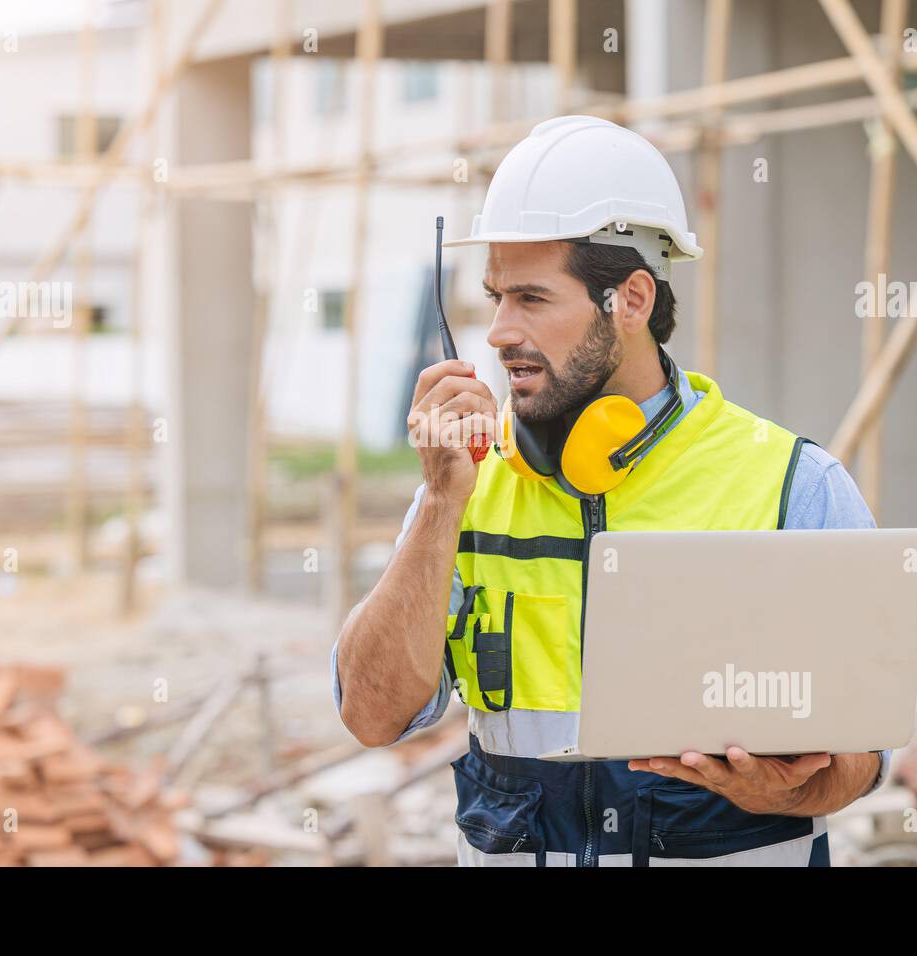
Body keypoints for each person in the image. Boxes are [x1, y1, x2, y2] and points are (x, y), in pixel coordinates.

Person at [332, 116, 888, 867]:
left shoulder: (791, 483)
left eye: (531, 297)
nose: (498, 332)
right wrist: (437, 506)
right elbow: (373, 716)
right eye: (496, 296)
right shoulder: (466, 483)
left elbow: (863, 755)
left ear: (629, 300)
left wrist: (786, 793)